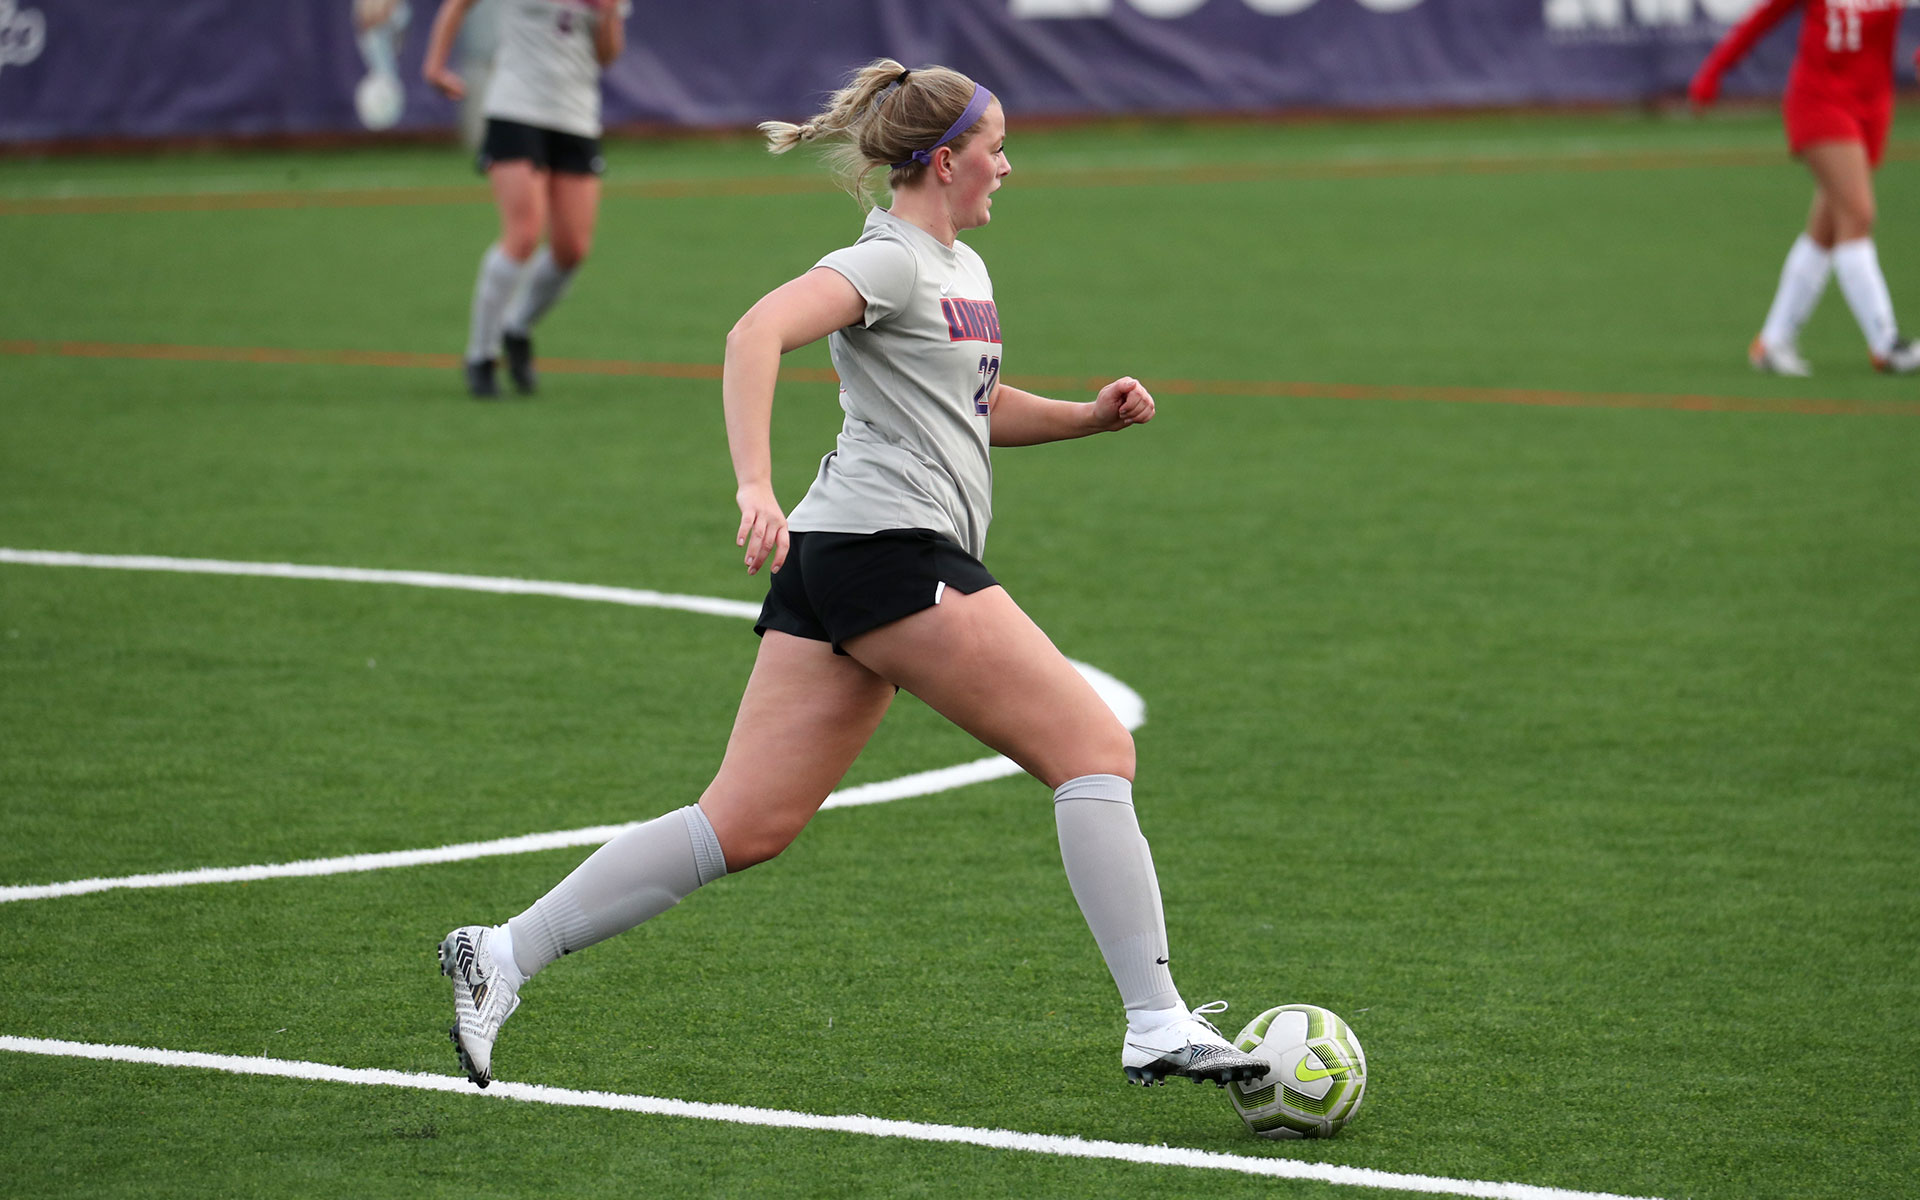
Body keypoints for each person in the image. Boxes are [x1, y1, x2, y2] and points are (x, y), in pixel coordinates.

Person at [436, 58, 1268, 1094]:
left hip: (843, 559)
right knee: (1093, 746)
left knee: (742, 825)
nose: (1009, 166)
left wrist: (1088, 418)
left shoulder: (961, 270)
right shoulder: (890, 263)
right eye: (997, 148)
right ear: (947, 159)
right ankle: (1156, 1021)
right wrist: (754, 484)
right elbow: (756, 332)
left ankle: (499, 953)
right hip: (889, 552)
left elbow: (978, 408)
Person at [1690, 0, 1920, 376]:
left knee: (1827, 231)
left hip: (1874, 106)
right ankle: (1886, 343)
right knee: (1859, 214)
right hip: (1820, 100)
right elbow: (1760, 20)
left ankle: (1773, 342)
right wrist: (1713, 71)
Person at [421, 0, 627, 398]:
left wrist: (607, 14)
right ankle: (480, 356)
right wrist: (435, 65)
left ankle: (516, 326)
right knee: (524, 233)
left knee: (572, 248)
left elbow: (607, 57)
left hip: (576, 116)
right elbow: (457, 6)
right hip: (516, 108)